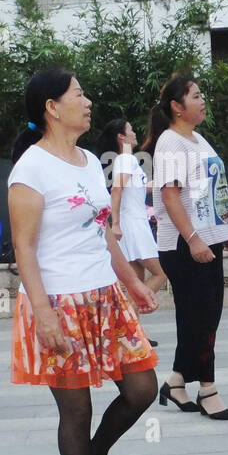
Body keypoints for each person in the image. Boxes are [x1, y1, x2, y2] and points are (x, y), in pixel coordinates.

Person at [8, 69, 160, 455]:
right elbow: (24, 247)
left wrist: (132, 282)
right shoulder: (30, 169)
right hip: (57, 301)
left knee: (142, 389)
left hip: (105, 297)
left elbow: (104, 230)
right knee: (75, 409)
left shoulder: (92, 160)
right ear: (53, 107)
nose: (88, 100)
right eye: (79, 94)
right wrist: (44, 313)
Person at [148, 75, 228, 419]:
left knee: (202, 317)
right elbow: (170, 194)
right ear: (176, 106)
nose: (203, 101)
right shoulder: (171, 142)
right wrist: (194, 238)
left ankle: (175, 382)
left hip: (209, 238)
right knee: (200, 317)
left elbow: (214, 189)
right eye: (196, 96)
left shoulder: (198, 139)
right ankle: (208, 390)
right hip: (183, 243)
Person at [97, 118, 167, 327]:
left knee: (136, 278)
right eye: (131, 130)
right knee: (161, 272)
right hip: (133, 224)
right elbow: (117, 189)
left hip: (132, 223)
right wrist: (115, 223)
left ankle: (133, 336)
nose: (135, 133)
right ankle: (126, 324)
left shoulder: (126, 160)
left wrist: (165, 181)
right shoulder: (126, 159)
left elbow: (135, 189)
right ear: (121, 136)